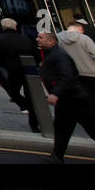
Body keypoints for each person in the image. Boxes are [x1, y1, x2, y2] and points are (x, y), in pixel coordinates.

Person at [38, 30, 95, 163]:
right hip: (68, 99)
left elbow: (68, 76)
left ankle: (57, 156)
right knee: (61, 128)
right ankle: (57, 156)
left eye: (40, 37)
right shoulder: (53, 54)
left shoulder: (59, 55)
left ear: (51, 41)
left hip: (73, 99)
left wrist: (55, 93)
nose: (37, 39)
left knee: (90, 127)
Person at [57, 21, 95, 100]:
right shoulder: (84, 38)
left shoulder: (58, 38)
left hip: (70, 73)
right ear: (80, 29)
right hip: (90, 73)